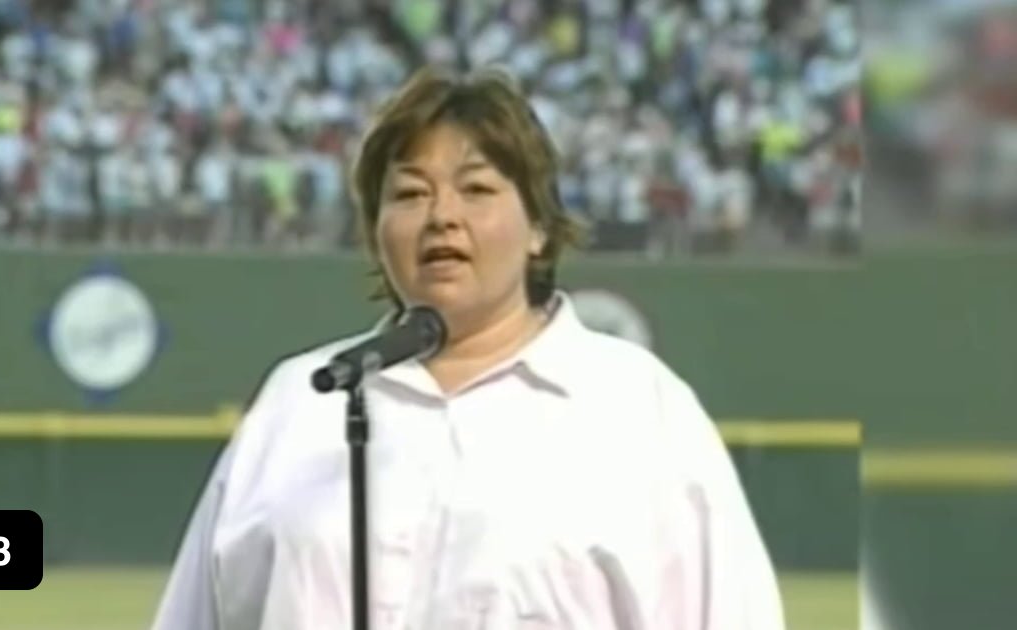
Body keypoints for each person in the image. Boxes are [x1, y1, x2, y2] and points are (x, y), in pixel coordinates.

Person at [151, 66, 786, 630]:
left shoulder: (642, 409)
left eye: (476, 189)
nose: (441, 216)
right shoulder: (303, 398)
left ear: (538, 226)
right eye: (409, 193)